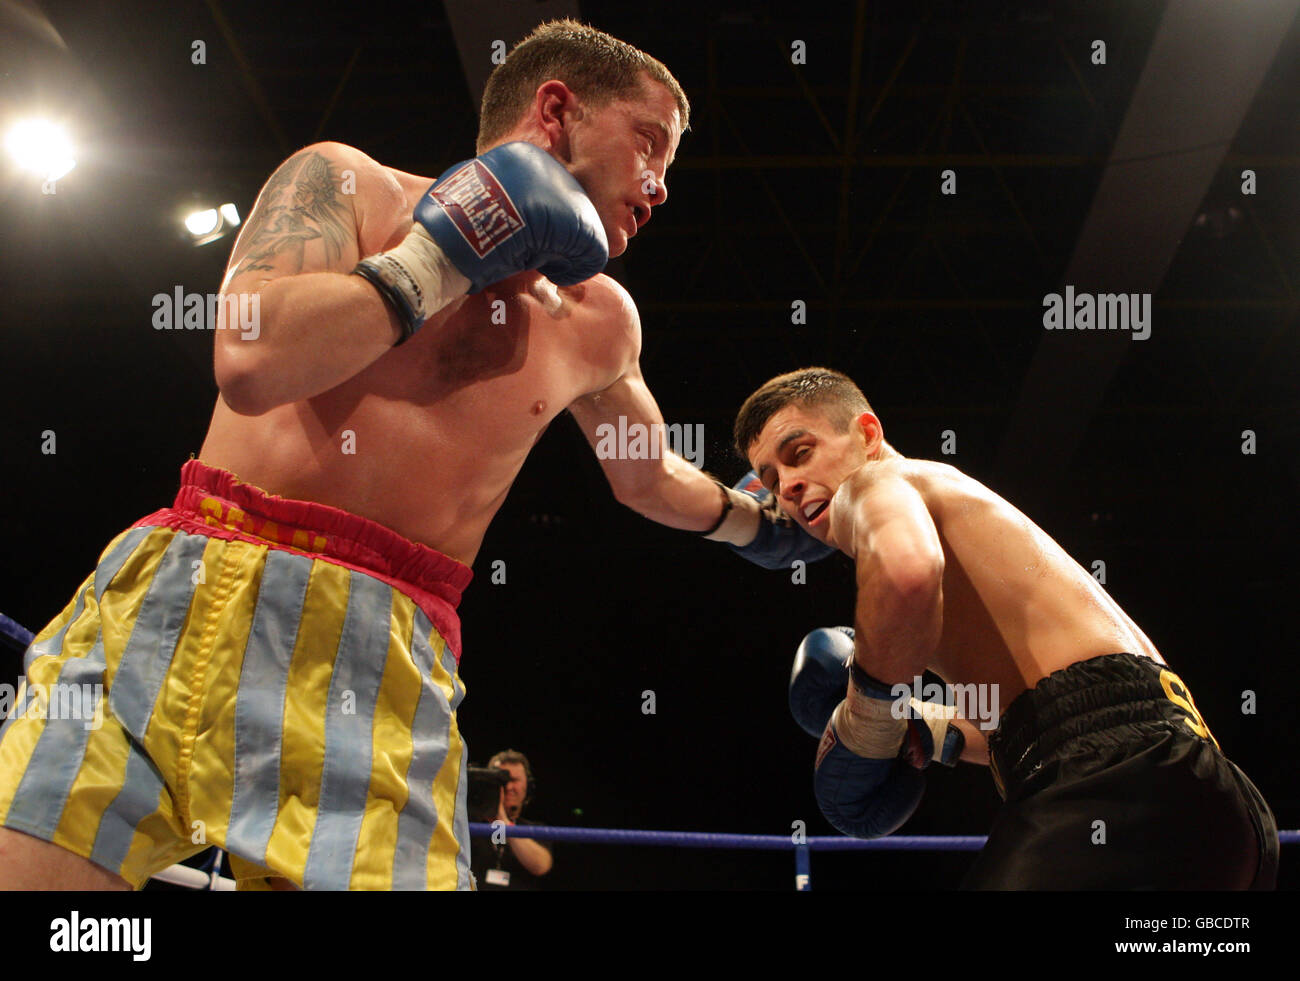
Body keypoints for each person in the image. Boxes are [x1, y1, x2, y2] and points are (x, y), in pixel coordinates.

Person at [0, 20, 823, 892]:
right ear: (555, 109)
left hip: (383, 665)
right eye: (650, 145)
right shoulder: (346, 183)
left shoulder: (599, 320)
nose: (659, 188)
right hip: (194, 590)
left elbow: (647, 473)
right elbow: (248, 359)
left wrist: (766, 528)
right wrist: (439, 258)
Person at [740, 367, 1279, 889]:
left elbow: (907, 574)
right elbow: (1064, 708)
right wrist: (928, 727)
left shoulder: (878, 480)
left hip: (1120, 784)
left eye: (800, 453)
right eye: (771, 479)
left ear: (867, 433)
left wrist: (869, 713)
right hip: (1208, 805)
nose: (788, 485)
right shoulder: (944, 518)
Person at [470, 750, 552, 889]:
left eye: (514, 780)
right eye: (502, 781)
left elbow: (540, 866)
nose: (508, 787)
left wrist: (502, 820)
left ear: (528, 786)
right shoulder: (468, 824)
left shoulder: (534, 829)